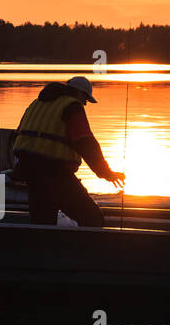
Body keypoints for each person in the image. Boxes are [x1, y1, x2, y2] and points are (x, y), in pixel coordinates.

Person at [10, 75, 124, 227]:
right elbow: (86, 143)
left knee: (42, 222)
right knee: (92, 217)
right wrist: (106, 173)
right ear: (79, 93)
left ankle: (43, 250)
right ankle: (88, 250)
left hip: (30, 172)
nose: (84, 103)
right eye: (85, 98)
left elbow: (18, 135)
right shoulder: (72, 107)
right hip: (56, 174)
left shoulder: (36, 104)